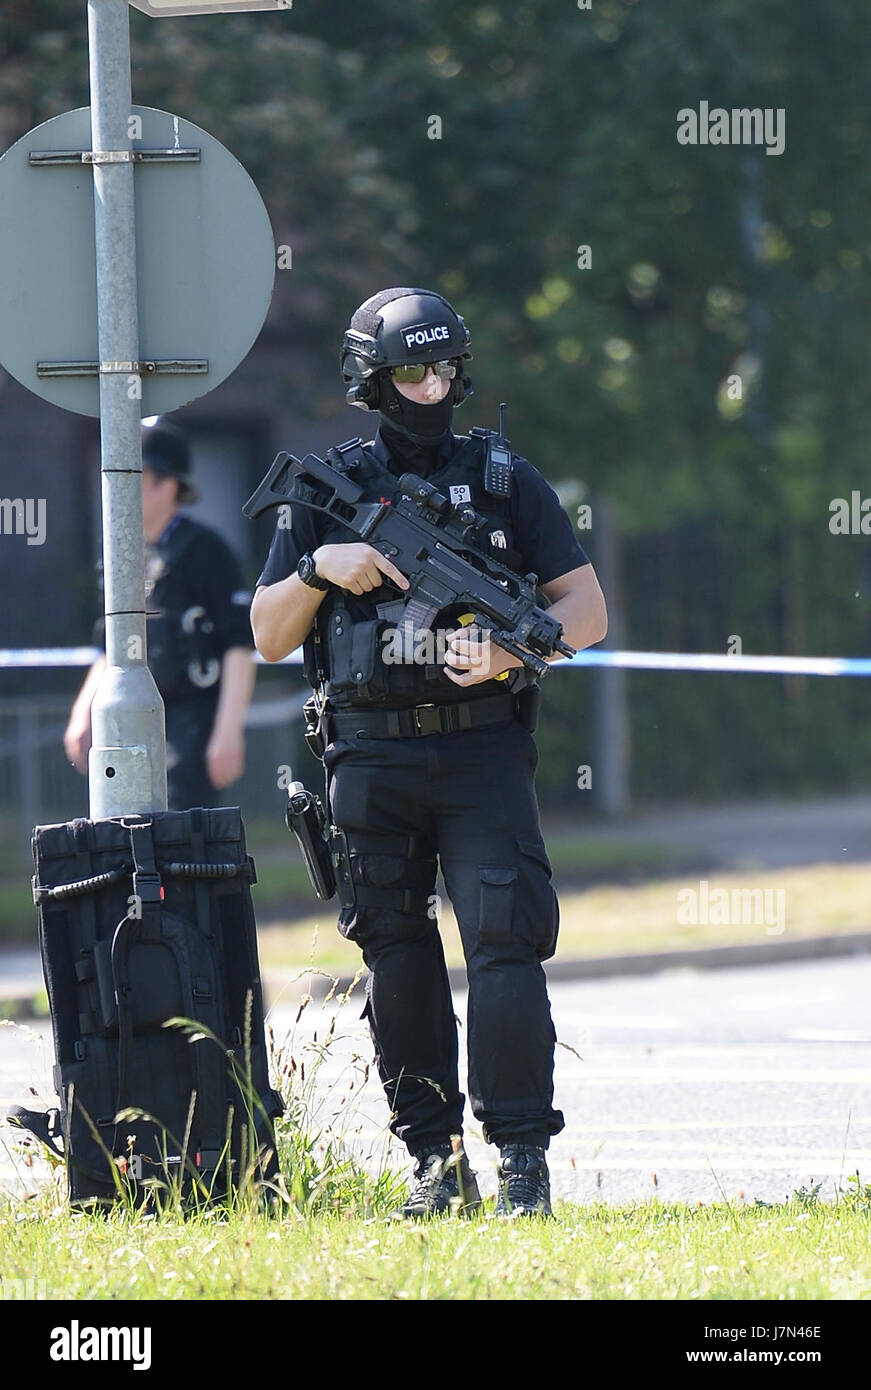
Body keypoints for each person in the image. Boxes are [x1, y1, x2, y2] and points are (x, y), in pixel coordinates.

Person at [251, 287, 608, 1217]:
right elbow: (268, 637)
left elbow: (588, 610)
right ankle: (434, 1163)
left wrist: (510, 650)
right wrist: (315, 569)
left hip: (483, 751)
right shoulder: (330, 486)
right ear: (372, 380)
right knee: (396, 956)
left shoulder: (504, 481)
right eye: (413, 369)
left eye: (447, 368)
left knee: (505, 944)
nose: (433, 386)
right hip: (369, 758)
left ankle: (521, 1157)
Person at [64, 419, 256, 810]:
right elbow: (109, 650)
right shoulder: (119, 556)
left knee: (185, 839)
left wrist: (228, 730)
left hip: (191, 720)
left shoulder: (206, 551)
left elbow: (239, 644)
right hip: (129, 718)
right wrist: (82, 712)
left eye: (133, 476)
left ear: (166, 485)